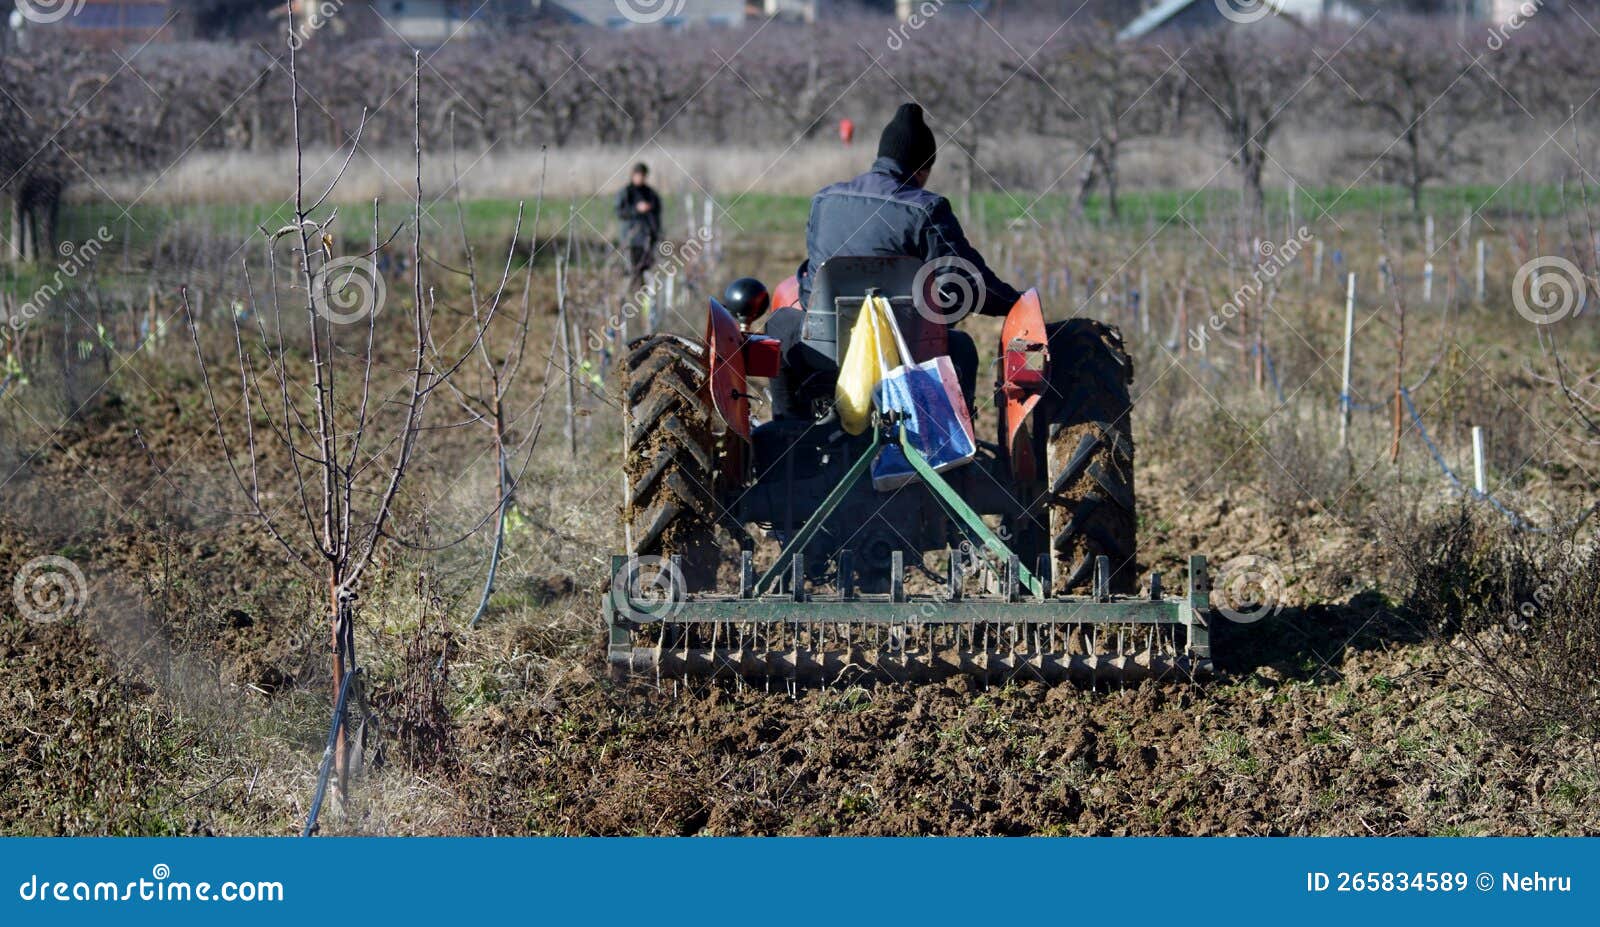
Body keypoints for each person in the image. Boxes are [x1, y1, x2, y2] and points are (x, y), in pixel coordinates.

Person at [765, 103, 1021, 421]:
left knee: (779, 325)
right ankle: (947, 450)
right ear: (923, 169)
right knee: (963, 348)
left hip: (826, 352)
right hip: (904, 358)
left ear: (881, 157)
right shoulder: (926, 208)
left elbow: (812, 282)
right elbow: (969, 280)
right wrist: (1014, 303)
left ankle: (788, 430)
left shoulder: (825, 200)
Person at [615, 162, 661, 290]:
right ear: (633, 175)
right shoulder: (625, 193)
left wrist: (656, 234)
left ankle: (644, 300)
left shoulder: (651, 194)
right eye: (637, 175)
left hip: (647, 240)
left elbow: (656, 216)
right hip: (630, 241)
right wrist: (637, 209)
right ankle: (628, 299)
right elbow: (620, 212)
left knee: (646, 272)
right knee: (631, 272)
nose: (640, 178)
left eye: (642, 175)